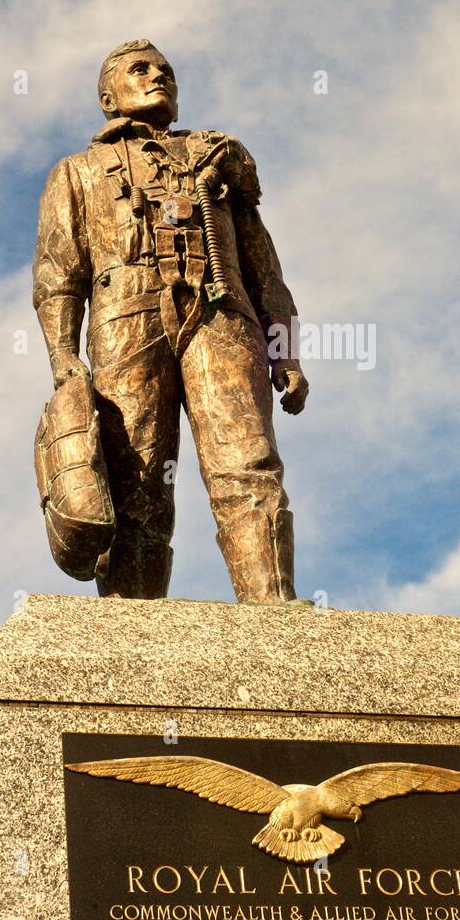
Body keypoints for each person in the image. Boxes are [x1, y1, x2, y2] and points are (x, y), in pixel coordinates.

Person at [33, 38, 308, 601]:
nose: (157, 76)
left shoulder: (219, 164)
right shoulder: (78, 172)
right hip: (125, 317)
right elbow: (58, 273)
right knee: (138, 477)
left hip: (221, 314)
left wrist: (286, 352)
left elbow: (265, 270)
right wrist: (63, 354)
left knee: (247, 459)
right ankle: (134, 627)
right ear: (109, 97)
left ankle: (275, 613)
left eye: (166, 70)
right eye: (140, 69)